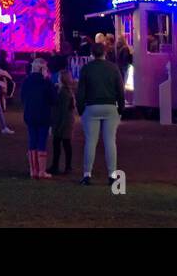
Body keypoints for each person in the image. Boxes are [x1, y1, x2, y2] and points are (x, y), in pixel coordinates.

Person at [76, 43, 124, 185]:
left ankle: (87, 174)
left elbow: (81, 92)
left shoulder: (86, 68)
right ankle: (112, 175)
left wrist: (80, 109)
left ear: (92, 53)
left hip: (91, 106)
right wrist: (120, 108)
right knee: (110, 141)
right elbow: (120, 90)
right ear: (105, 53)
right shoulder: (113, 68)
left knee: (91, 141)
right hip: (110, 106)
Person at [20, 58, 56, 179]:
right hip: (43, 115)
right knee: (41, 141)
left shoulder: (26, 81)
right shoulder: (46, 82)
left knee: (32, 141)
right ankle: (41, 171)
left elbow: (22, 97)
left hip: (30, 114)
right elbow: (53, 99)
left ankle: (33, 170)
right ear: (42, 69)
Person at [47, 69, 77, 175]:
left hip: (62, 123)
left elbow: (62, 111)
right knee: (66, 145)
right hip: (66, 122)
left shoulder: (63, 93)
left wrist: (57, 126)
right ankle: (66, 166)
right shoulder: (67, 91)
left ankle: (58, 166)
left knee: (59, 145)